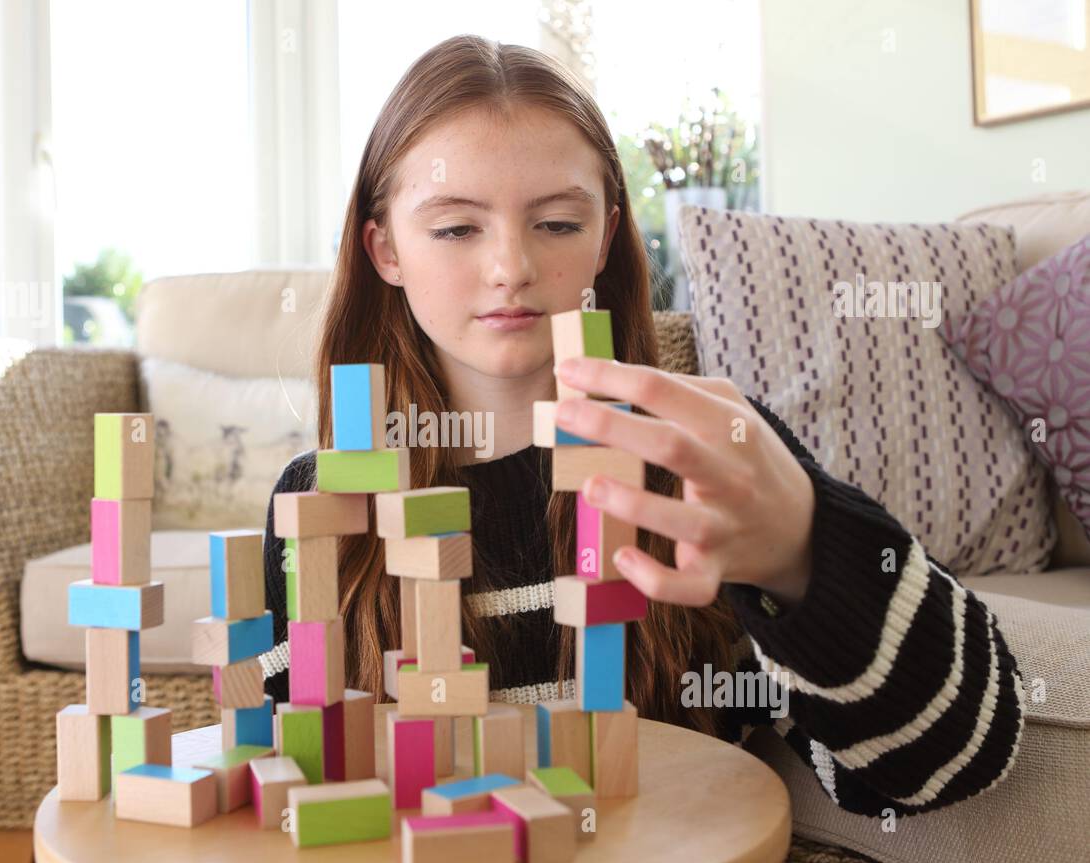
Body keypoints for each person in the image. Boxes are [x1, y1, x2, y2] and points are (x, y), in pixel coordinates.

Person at [260, 35, 1023, 818]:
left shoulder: (708, 454)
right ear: (384, 248)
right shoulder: (316, 503)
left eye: (556, 223)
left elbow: (955, 762)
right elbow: (302, 789)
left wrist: (802, 553)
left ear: (605, 237)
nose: (510, 267)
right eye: (456, 229)